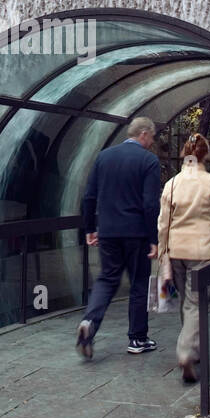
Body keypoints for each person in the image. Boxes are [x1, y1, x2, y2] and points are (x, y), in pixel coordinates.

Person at [76, 116, 162, 358]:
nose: (152, 141)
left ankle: (89, 322)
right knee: (138, 283)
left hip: (109, 231)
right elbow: (149, 204)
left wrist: (90, 228)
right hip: (136, 234)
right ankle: (137, 339)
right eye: (152, 136)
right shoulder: (149, 161)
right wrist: (154, 238)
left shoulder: (104, 157)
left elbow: (89, 196)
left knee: (106, 279)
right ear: (144, 134)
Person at [158, 133, 210, 383]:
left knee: (185, 302)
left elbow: (162, 224)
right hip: (202, 251)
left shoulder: (173, 184)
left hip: (176, 250)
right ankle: (187, 352)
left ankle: (193, 349)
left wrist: (162, 252)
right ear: (206, 155)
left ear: (184, 154)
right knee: (196, 303)